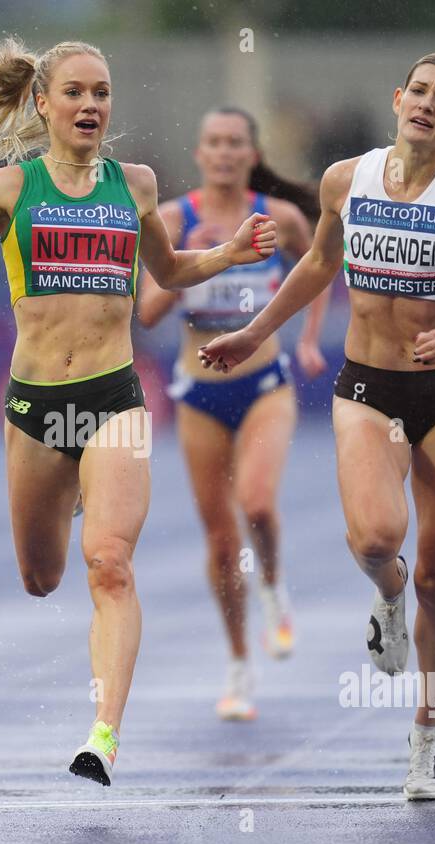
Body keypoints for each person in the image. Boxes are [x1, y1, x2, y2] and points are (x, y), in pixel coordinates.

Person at [0, 38, 277, 785]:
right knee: (40, 577)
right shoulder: (7, 189)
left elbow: (170, 271)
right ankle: (66, 495)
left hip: (114, 398)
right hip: (34, 407)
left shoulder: (139, 185)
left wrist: (230, 254)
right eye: (76, 93)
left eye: (102, 92)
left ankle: (104, 735)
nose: (91, 105)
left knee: (111, 565)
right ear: (43, 104)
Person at [198, 53, 435, 799]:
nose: (428, 105)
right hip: (368, 387)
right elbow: (317, 264)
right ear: (397, 99)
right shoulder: (347, 179)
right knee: (378, 539)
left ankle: (426, 741)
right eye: (420, 92)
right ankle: (387, 595)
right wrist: (255, 332)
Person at [136, 107, 329, 720]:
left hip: (264, 384)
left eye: (234, 143)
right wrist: (188, 260)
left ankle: (272, 586)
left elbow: (324, 264)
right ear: (199, 153)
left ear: (252, 153)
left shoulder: (280, 218)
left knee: (258, 503)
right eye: (213, 142)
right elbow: (145, 314)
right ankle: (239, 665)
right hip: (198, 392)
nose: (223, 153)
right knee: (221, 543)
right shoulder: (173, 219)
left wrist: (308, 338)